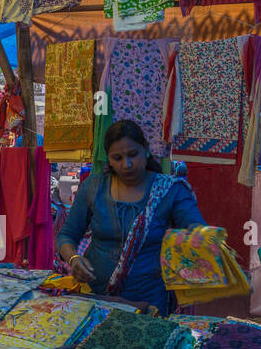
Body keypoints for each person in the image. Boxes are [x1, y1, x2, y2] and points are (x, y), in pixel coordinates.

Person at [57, 119, 206, 314]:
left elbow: (196, 228)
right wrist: (74, 258)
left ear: (145, 150)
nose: (126, 164)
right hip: (96, 298)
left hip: (149, 302)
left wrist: (206, 243)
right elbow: (66, 235)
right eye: (117, 158)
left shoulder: (169, 190)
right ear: (108, 159)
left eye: (132, 155)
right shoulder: (94, 187)